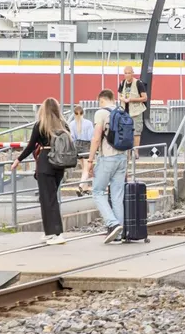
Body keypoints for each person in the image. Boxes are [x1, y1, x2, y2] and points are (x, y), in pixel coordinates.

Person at [13, 98, 74, 246]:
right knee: (47, 198)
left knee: (48, 199)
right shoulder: (64, 125)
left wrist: (18, 160)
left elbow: (30, 146)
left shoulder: (40, 125)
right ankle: (49, 231)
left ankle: (57, 233)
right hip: (59, 165)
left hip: (45, 163)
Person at [87, 89, 127, 244]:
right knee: (117, 196)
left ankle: (113, 223)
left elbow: (96, 138)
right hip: (122, 157)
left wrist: (90, 161)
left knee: (97, 191)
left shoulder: (101, 113)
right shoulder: (122, 112)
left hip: (107, 157)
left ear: (102, 100)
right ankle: (118, 235)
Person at [117, 66, 148, 156]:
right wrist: (122, 98)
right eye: (125, 73)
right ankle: (127, 152)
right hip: (124, 111)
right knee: (125, 132)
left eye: (129, 73)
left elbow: (145, 98)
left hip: (136, 112)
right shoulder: (122, 83)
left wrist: (132, 99)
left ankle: (136, 152)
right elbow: (119, 95)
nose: (127, 75)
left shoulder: (138, 83)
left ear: (132, 73)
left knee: (136, 132)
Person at [69, 105, 94, 196]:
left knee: (84, 168)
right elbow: (92, 137)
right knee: (86, 169)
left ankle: (85, 189)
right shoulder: (88, 123)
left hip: (77, 145)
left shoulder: (71, 124)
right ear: (84, 113)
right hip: (87, 145)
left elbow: (72, 137)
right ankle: (80, 186)